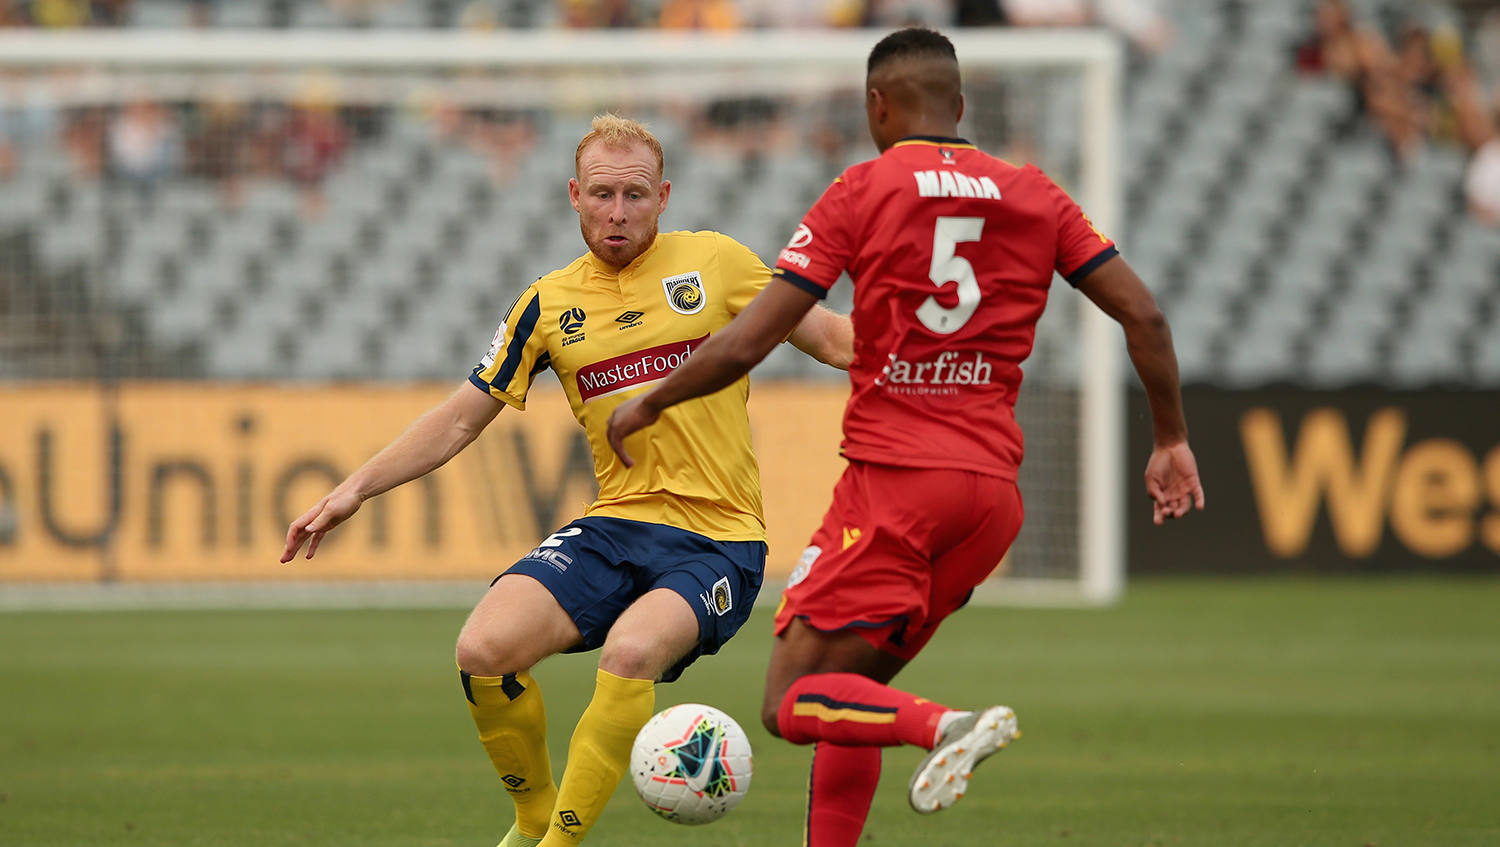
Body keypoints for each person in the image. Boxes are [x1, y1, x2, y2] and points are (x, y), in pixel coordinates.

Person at [606, 27, 1204, 846]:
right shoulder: (1036, 193)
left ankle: (945, 727)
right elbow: (1146, 314)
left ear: (876, 106)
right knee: (847, 693)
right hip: (991, 501)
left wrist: (651, 402)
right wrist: (1169, 435)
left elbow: (750, 338)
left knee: (788, 701)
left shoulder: (863, 188)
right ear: (960, 107)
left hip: (896, 484)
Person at [280, 114, 852, 847]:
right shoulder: (548, 302)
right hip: (616, 525)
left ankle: (554, 845)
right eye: (604, 194)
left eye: (637, 195)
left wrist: (940, 351)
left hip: (719, 540)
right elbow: (460, 418)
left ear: (665, 196)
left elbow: (834, 338)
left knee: (630, 652)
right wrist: (353, 487)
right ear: (574, 196)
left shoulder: (717, 263)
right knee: (482, 650)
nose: (619, 212)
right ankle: (533, 814)